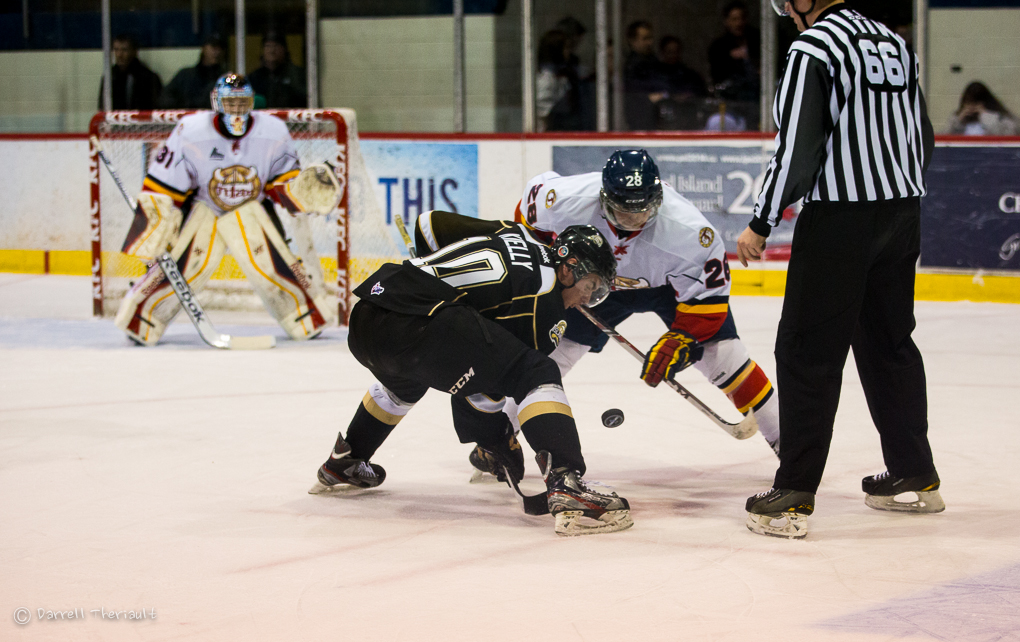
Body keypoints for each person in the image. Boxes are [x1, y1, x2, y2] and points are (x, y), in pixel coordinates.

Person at [736, 0, 942, 539]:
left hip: (841, 219)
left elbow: (797, 148)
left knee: (806, 350)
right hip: (902, 211)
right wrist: (899, 194)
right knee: (889, 343)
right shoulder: (894, 42)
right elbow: (924, 135)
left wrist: (762, 219)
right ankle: (914, 473)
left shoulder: (814, 47)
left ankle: (795, 489)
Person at [310, 213, 633, 537]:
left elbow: (429, 226)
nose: (588, 300)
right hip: (419, 325)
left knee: (404, 385)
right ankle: (567, 482)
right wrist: (496, 439)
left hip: (369, 313)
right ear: (568, 267)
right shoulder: (543, 308)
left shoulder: (517, 233)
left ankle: (346, 460)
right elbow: (481, 392)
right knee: (537, 371)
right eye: (590, 286)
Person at [481, 149, 782, 474]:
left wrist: (682, 340)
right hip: (594, 278)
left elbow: (708, 302)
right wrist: (553, 274)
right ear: (603, 196)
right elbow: (527, 229)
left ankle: (789, 445)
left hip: (669, 288)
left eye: (642, 211)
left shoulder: (691, 232)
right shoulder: (564, 199)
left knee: (724, 356)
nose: (632, 220)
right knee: (552, 354)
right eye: (623, 210)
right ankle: (496, 440)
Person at [114, 74, 335, 346]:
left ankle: (304, 317)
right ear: (215, 103)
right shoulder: (191, 130)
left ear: (252, 102)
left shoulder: (274, 131)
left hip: (254, 210)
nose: (237, 110)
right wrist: (159, 231)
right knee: (185, 269)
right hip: (203, 210)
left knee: (273, 267)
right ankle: (142, 318)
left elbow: (283, 183)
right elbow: (164, 187)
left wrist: (300, 192)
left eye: (242, 102)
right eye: (230, 103)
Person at [707, 1, 760, 128]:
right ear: (726, 21)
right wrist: (730, 59)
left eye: (742, 18)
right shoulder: (718, 47)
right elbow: (717, 76)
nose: (739, 23)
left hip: (757, 103)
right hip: (730, 106)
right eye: (734, 19)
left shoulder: (758, 42)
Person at [159, 35, 228, 109]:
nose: (217, 52)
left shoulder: (225, 79)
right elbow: (165, 99)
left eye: (221, 48)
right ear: (204, 48)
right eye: (213, 47)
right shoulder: (185, 75)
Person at [624, 21, 668, 130]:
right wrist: (648, 98)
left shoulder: (653, 61)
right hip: (641, 121)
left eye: (650, 38)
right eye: (645, 39)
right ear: (632, 41)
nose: (650, 42)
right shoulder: (630, 66)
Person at [98, 34, 162, 110]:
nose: (119, 54)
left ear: (134, 51)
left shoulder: (148, 78)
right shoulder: (110, 77)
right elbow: (102, 107)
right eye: (116, 50)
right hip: (115, 121)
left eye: (124, 50)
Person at [536, 30, 582, 132]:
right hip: (546, 131)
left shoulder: (561, 74)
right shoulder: (546, 78)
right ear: (556, 50)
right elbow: (542, 110)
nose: (568, 52)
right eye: (566, 48)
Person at [247, 32, 307, 108]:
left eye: (276, 46)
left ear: (284, 49)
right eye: (268, 46)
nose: (272, 51)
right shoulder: (255, 77)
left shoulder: (297, 74)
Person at [947, 82, 1019, 136]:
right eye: (969, 103)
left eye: (975, 103)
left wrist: (986, 116)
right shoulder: (957, 119)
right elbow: (944, 139)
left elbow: (1010, 134)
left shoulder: (1001, 118)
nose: (972, 107)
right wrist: (958, 121)